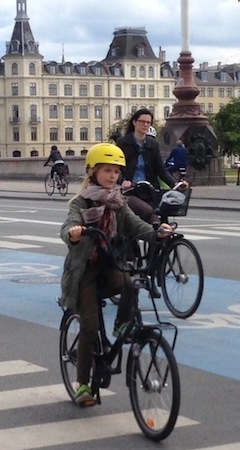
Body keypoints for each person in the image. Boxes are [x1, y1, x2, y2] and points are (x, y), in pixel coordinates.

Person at [59, 142, 172, 406]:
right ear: (93, 172)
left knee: (131, 283)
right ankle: (83, 385)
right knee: (89, 326)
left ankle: (122, 325)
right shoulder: (81, 201)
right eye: (107, 171)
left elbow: (136, 225)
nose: (113, 176)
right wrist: (74, 233)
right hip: (85, 271)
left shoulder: (118, 203)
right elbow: (67, 226)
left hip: (109, 265)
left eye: (116, 171)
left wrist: (157, 233)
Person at [115, 108, 185, 224]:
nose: (145, 125)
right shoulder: (123, 143)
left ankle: (162, 240)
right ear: (134, 122)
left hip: (150, 190)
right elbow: (116, 168)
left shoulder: (153, 144)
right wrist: (123, 181)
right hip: (130, 191)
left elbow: (161, 170)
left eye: (148, 122)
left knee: (163, 213)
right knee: (149, 212)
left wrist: (175, 183)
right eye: (142, 121)